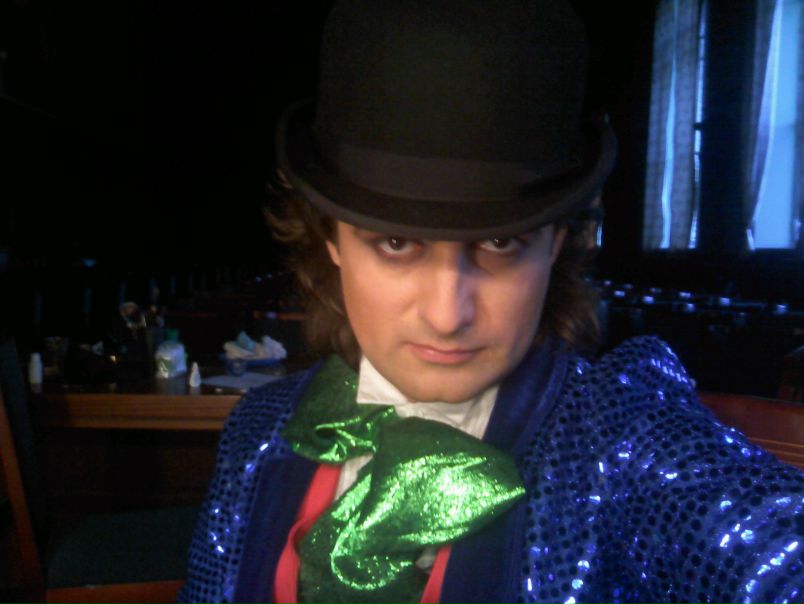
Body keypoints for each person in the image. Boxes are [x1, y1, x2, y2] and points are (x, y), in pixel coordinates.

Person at [180, 1, 804, 602]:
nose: (448, 315)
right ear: (331, 240)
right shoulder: (258, 430)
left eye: (501, 243)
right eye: (395, 243)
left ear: (556, 242)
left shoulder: (621, 436)